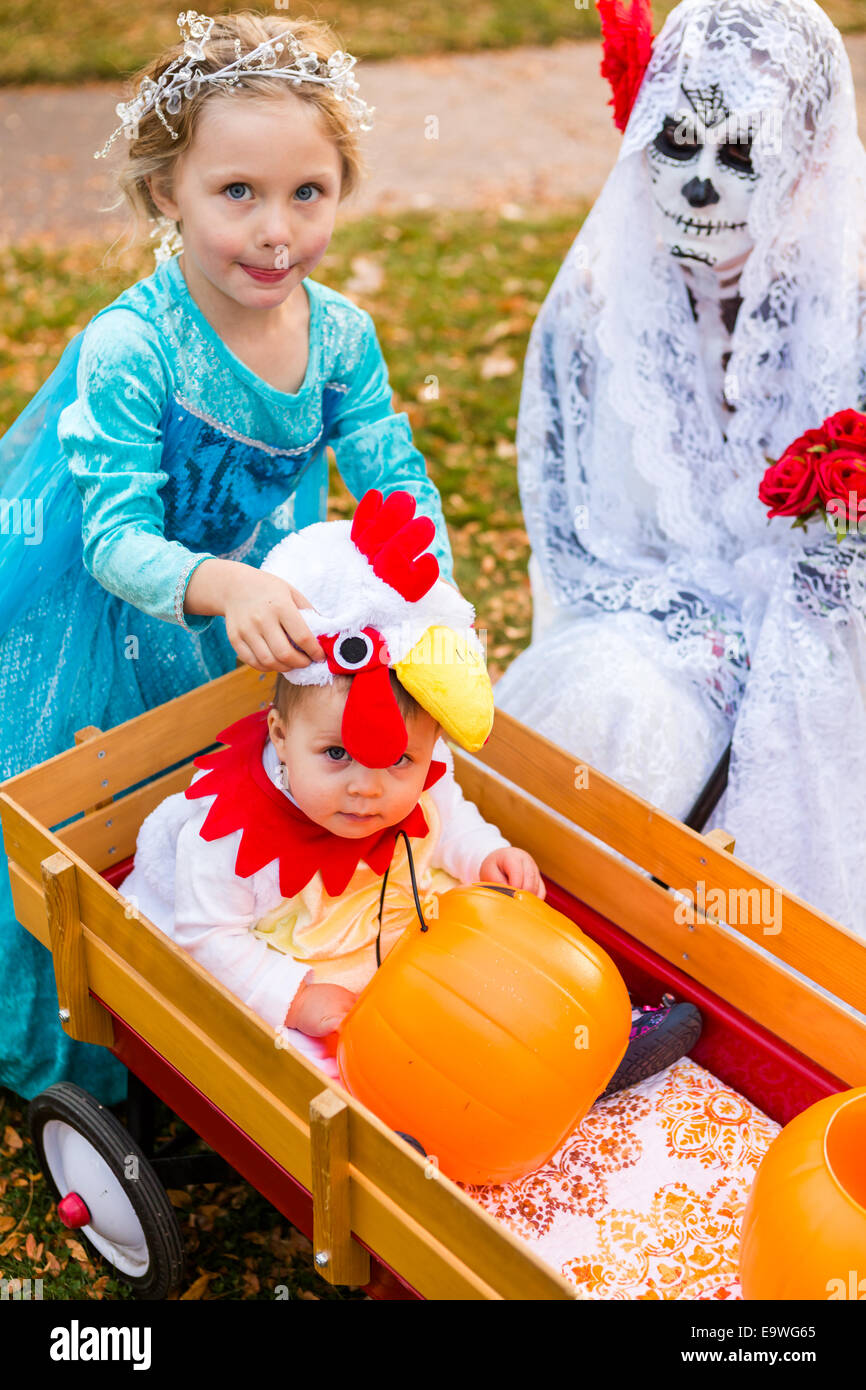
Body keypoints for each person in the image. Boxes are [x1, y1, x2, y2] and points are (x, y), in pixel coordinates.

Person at [0, 11, 452, 1104]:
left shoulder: (338, 332)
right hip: (122, 601)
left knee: (270, 777)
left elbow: (388, 470)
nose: (275, 231)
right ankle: (91, 1042)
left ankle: (265, 961)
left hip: (258, 590)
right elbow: (111, 536)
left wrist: (421, 576)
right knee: (91, 799)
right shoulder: (132, 345)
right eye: (235, 192)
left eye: (308, 192)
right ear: (168, 192)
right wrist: (221, 584)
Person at [494, 0, 866, 938]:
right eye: (678, 145)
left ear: (806, 163)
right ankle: (574, 957)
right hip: (659, 616)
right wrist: (701, 626)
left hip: (835, 639)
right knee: (608, 713)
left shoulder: (847, 317)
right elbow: (578, 540)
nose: (700, 185)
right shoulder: (599, 312)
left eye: (740, 154)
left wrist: (804, 614)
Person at [122, 487, 702, 1087]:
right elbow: (208, 936)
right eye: (336, 755)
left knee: (498, 948)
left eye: (400, 761)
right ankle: (411, 1113)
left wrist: (484, 853)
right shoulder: (230, 835)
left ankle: (589, 1042)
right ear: (280, 734)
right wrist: (292, 997)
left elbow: (448, 812)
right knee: (326, 1052)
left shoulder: (417, 780)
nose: (366, 790)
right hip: (309, 965)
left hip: (401, 924)